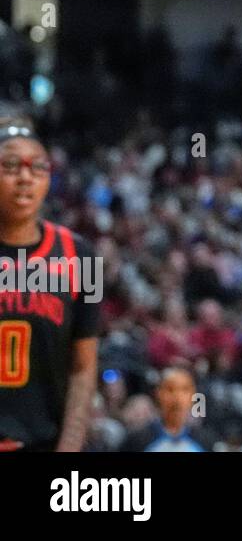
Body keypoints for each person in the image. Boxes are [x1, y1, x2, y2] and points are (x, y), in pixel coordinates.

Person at [0, 118, 100, 452]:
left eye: (38, 167)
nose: (25, 177)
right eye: (11, 166)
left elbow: (84, 367)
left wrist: (69, 448)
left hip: (44, 443)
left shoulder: (82, 255)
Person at [121, 366, 210, 451]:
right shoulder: (137, 440)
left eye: (184, 390)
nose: (177, 398)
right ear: (158, 394)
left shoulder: (206, 441)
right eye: (170, 389)